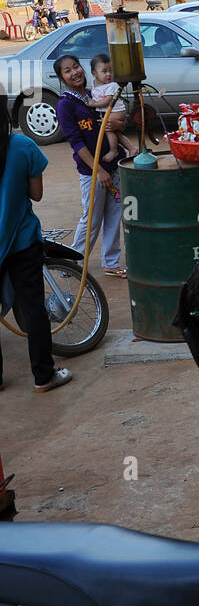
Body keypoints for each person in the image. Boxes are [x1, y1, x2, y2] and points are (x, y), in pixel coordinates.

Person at [0, 91, 73, 392]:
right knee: (33, 308)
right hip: (22, 242)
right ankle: (44, 376)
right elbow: (37, 194)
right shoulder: (23, 146)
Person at [54, 55, 125, 278]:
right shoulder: (66, 104)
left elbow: (118, 122)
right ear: (61, 77)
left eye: (76, 66)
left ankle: (111, 262)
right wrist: (98, 170)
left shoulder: (95, 94)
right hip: (93, 173)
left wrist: (119, 122)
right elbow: (76, 143)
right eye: (67, 70)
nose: (74, 72)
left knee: (114, 215)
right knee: (92, 219)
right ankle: (72, 263)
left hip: (114, 167)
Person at [89, 54, 136, 161]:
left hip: (116, 111)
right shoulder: (94, 83)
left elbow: (107, 101)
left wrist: (93, 104)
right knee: (116, 132)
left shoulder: (112, 85)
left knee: (107, 129)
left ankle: (113, 150)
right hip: (109, 112)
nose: (109, 74)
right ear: (94, 73)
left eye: (111, 70)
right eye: (104, 71)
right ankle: (132, 148)